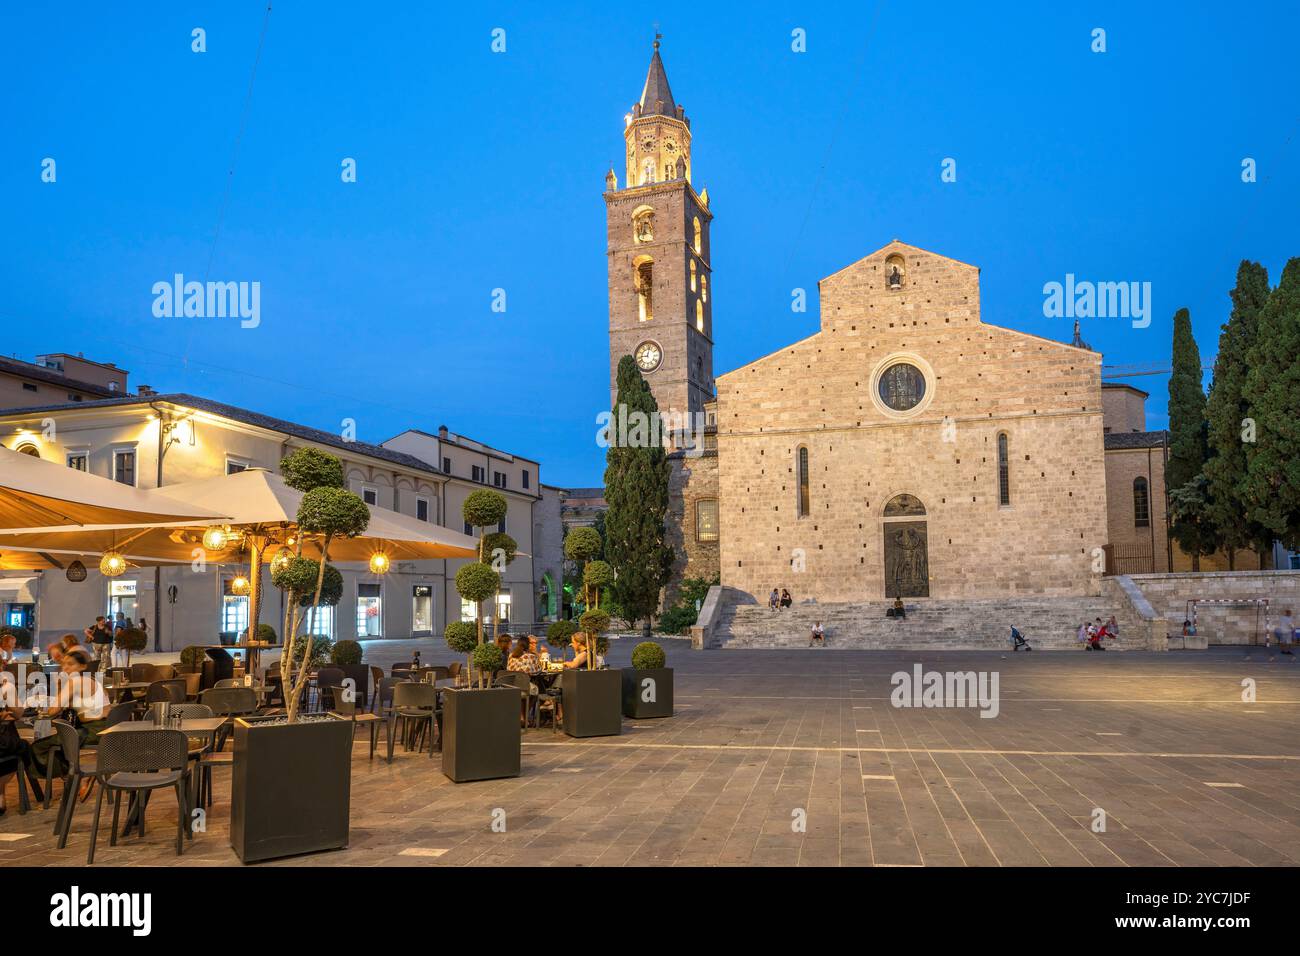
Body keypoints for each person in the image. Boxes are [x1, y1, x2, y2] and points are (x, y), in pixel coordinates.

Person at [26, 649, 108, 788]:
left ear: (82, 666)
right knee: (61, 740)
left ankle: (74, 774)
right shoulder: (93, 680)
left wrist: (56, 690)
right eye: (64, 665)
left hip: (92, 731)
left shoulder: (74, 682)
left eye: (71, 664)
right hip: (107, 728)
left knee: (39, 746)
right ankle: (73, 775)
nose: (66, 668)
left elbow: (53, 710)